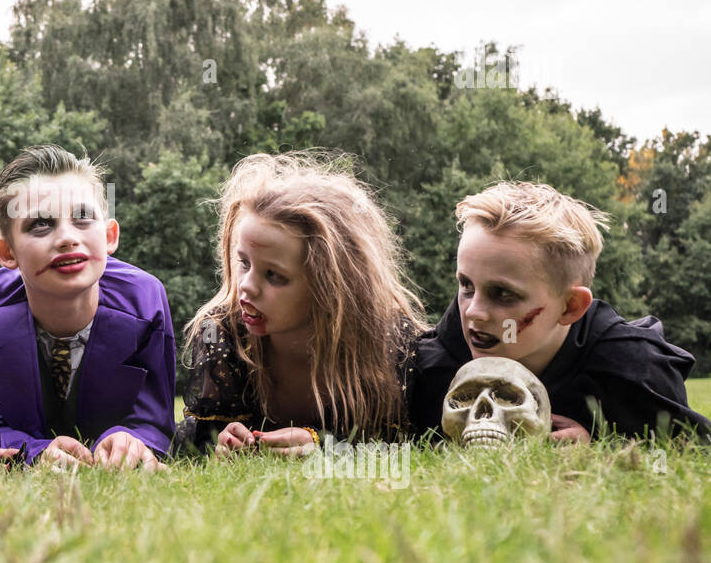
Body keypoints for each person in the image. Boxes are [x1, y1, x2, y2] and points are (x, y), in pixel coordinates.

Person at [173, 152, 426, 458]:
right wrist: (224, 440)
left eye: (274, 276)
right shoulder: (222, 336)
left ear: (330, 287)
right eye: (243, 262)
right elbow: (192, 444)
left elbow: (412, 442)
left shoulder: (391, 343)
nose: (246, 285)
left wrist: (326, 446)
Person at [410, 181, 709, 441]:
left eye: (502, 294)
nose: (474, 312)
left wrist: (603, 446)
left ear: (569, 306)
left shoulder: (629, 371)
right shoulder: (434, 365)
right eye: (466, 285)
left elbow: (691, 447)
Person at [0, 144, 176, 469]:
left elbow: (154, 420)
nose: (67, 238)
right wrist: (35, 452)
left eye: (83, 217)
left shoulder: (146, 301)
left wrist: (131, 439)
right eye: (40, 224)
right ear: (7, 253)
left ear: (110, 235)